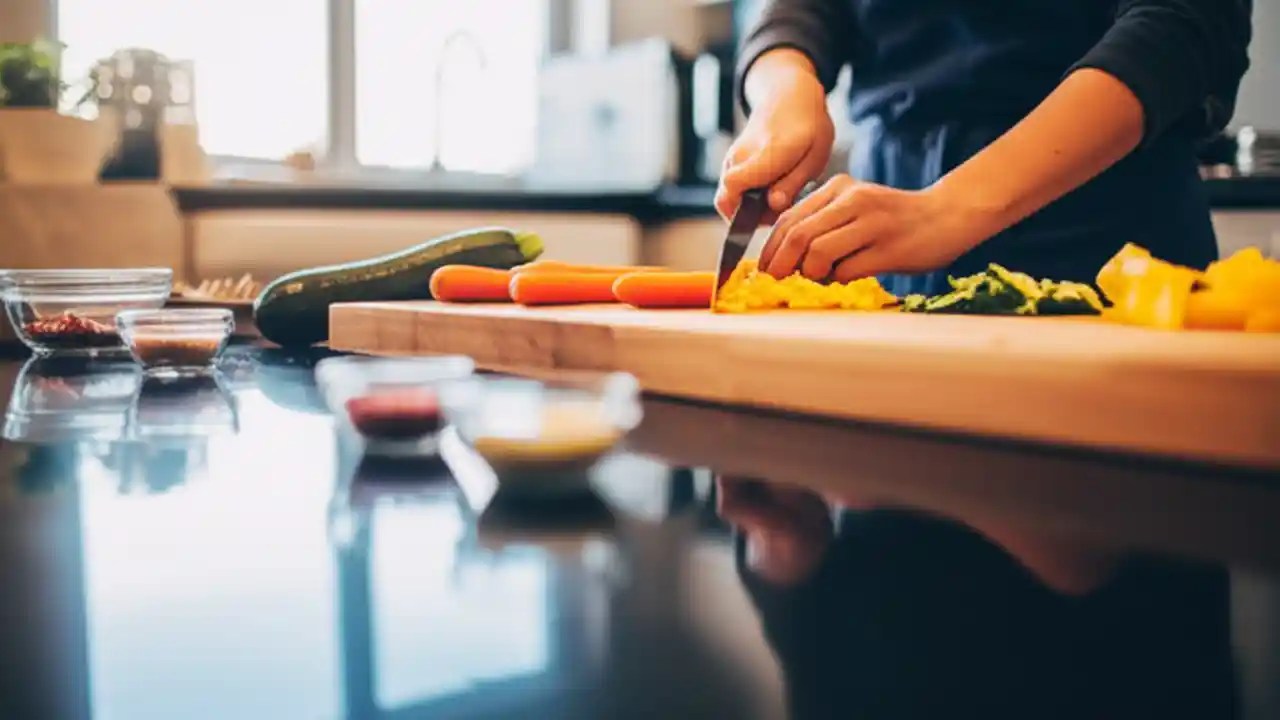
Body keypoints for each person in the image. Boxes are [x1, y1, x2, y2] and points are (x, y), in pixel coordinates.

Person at [716, 1, 1252, 297]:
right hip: (881, 264)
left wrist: (943, 211)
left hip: (1108, 257)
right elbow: (803, 11)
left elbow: (1181, 27)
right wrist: (784, 84)